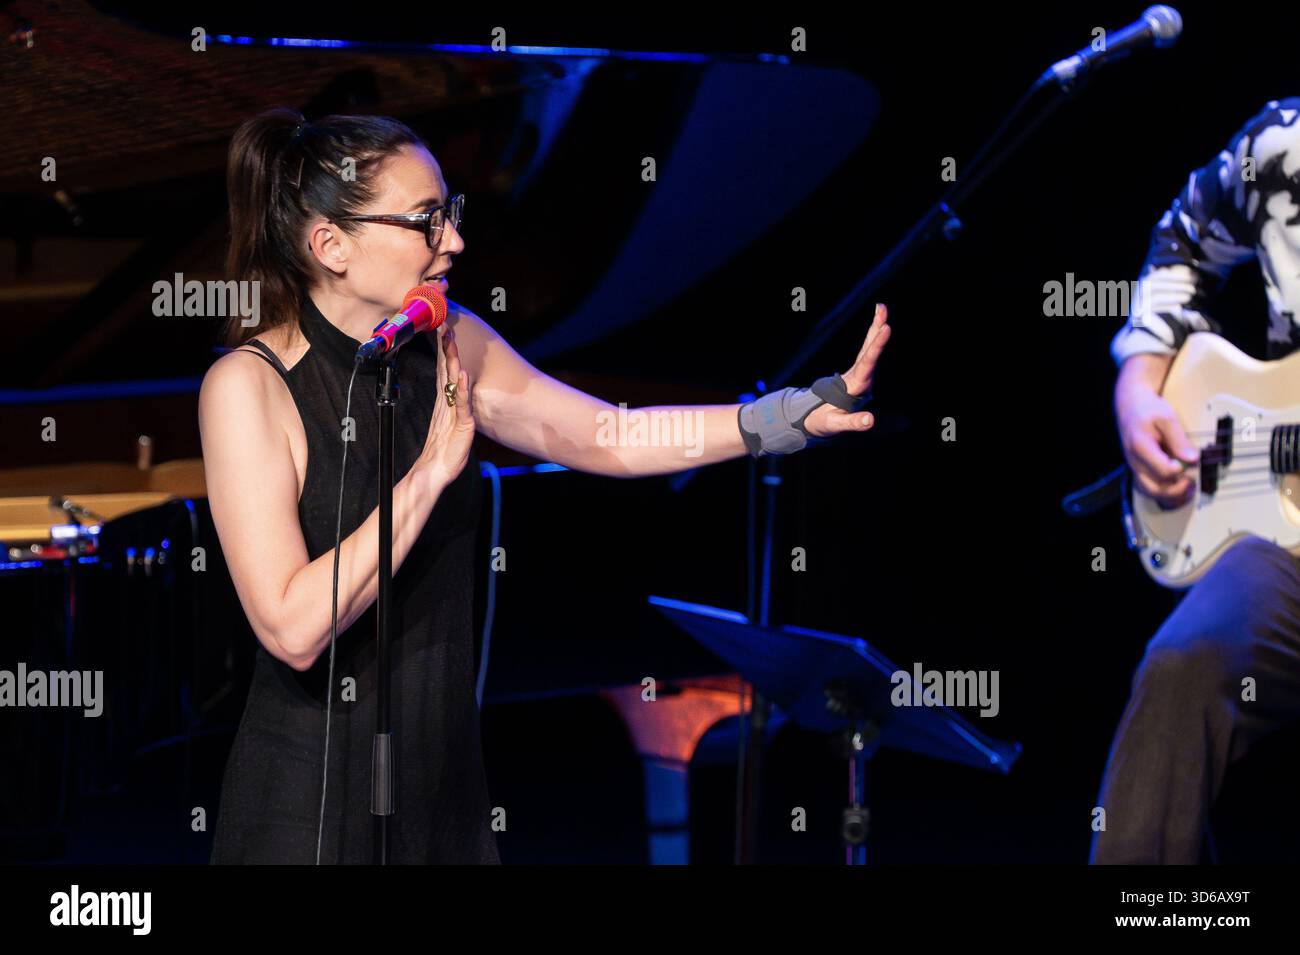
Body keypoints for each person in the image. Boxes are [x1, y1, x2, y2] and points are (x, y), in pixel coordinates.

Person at [199, 107, 892, 863]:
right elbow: (293, 629)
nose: (454, 242)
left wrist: (784, 417)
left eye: (451, 214)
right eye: (427, 221)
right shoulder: (248, 386)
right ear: (330, 244)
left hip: (443, 794)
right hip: (307, 807)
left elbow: (611, 435)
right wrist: (429, 474)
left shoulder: (450, 338)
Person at [1093, 98, 1300, 864]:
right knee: (1185, 664)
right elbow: (1179, 247)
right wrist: (1140, 385)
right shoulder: (1282, 140)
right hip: (1286, 543)